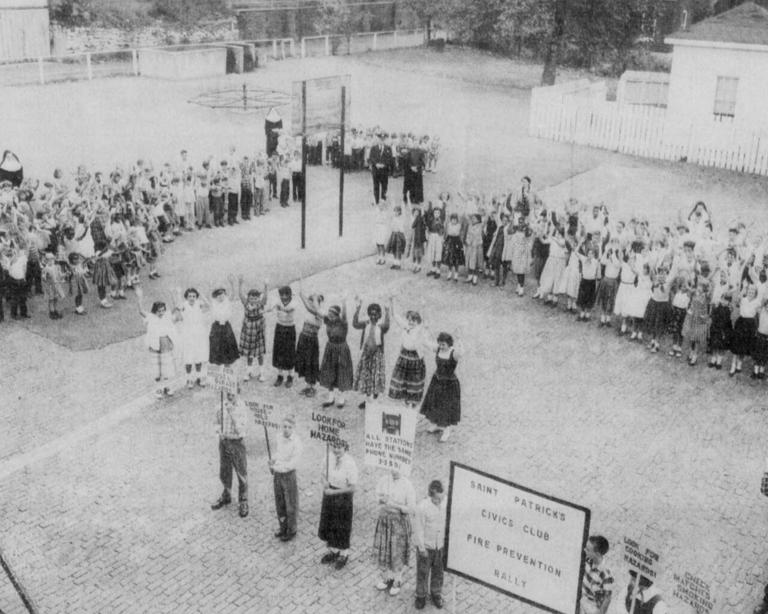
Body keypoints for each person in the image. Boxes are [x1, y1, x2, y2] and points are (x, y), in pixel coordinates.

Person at [373, 469, 416, 596]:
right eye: (393, 467)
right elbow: (377, 497)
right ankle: (386, 576)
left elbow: (410, 508)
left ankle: (397, 579)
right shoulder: (384, 480)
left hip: (399, 523)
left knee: (397, 551)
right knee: (385, 549)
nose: (395, 471)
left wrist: (396, 506)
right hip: (385, 521)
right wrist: (382, 499)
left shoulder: (407, 485)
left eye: (398, 468)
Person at [318, 440, 358, 570]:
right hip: (329, 494)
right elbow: (322, 474)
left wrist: (335, 492)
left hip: (342, 496)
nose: (336, 450)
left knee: (342, 525)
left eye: (339, 447)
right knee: (330, 523)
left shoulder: (350, 463)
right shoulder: (328, 457)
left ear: (345, 448)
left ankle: (343, 553)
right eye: (334, 446)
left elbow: (352, 488)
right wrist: (324, 482)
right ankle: (333, 551)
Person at [211, 390, 250, 518]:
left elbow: (242, 430)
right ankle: (226, 494)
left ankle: (243, 500)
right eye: (228, 394)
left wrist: (232, 414)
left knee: (241, 472)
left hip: (237, 442)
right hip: (224, 441)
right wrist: (219, 433)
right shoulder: (219, 406)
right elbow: (216, 423)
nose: (230, 397)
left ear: (238, 393)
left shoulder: (242, 408)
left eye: (233, 394)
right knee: (225, 470)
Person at [135, 286, 178, 398]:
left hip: (165, 343)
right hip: (154, 344)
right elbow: (140, 311)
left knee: (167, 366)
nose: (161, 313)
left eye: (163, 310)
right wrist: (139, 297)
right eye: (159, 311)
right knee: (156, 368)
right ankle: (158, 389)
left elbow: (175, 308)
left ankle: (167, 386)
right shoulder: (150, 317)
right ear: (155, 311)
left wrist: (173, 295)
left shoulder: (167, 316)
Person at [421, 332, 462, 443]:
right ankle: (437, 425)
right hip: (437, 381)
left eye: (443, 344)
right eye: (440, 344)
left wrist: (459, 341)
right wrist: (425, 332)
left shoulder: (453, 353)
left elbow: (461, 353)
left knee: (447, 407)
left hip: (449, 384)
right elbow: (426, 343)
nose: (441, 346)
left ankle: (447, 430)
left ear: (449, 344)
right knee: (435, 403)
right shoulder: (438, 349)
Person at [413, 479, 446, 610]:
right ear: (431, 495)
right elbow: (418, 529)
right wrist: (421, 548)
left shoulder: (445, 503)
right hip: (427, 547)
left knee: (438, 572)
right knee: (423, 572)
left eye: (441, 498)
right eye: (437, 499)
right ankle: (420, 595)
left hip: (440, 547)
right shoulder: (422, 507)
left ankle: (436, 593)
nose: (439, 502)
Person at [352, 298, 390, 410]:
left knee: (376, 376)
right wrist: (357, 308)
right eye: (371, 314)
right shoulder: (366, 323)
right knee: (367, 376)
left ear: (379, 315)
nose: (373, 316)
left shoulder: (381, 326)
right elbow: (355, 324)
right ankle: (368, 400)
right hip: (366, 353)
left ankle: (374, 400)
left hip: (377, 354)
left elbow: (387, 326)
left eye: (375, 314)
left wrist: (387, 311)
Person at [270, 415, 303, 542]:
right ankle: (282, 526)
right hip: (278, 474)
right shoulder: (279, 437)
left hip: (289, 475)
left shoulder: (297, 443)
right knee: (280, 502)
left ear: (293, 428)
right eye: (284, 426)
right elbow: (279, 453)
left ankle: (292, 529)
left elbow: (292, 463)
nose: (286, 429)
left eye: (289, 427)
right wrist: (273, 459)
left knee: (291, 504)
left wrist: (278, 467)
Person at [319, 300, 354, 409]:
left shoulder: (343, 323)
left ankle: (341, 398)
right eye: (329, 315)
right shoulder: (328, 321)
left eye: (332, 315)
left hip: (341, 349)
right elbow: (315, 310)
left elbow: (344, 315)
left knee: (342, 371)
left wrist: (344, 302)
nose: (330, 317)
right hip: (330, 348)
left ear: (337, 315)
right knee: (329, 371)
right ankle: (330, 397)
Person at [237, 275, 268, 382]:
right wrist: (240, 284)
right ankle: (248, 371)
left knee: (259, 353)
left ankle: (261, 372)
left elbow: (265, 298)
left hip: (258, 330)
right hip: (248, 330)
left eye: (255, 298)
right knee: (249, 353)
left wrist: (266, 287)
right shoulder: (246, 304)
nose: (253, 300)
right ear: (248, 298)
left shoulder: (260, 304)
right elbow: (241, 295)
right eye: (251, 298)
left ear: (258, 298)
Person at [270, 285, 298, 388]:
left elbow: (288, 309)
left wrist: (278, 308)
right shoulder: (278, 300)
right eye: (282, 295)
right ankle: (280, 375)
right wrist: (273, 306)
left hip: (289, 329)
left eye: (286, 294)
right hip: (280, 327)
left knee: (289, 352)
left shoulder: (294, 302)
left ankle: (290, 376)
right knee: (279, 351)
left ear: (290, 294)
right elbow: (271, 307)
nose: (284, 297)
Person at [580, 535, 614, 614]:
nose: (584, 550)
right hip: (581, 600)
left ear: (597, 554)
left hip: (591, 607)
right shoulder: (587, 560)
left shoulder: (605, 574)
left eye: (588, 550)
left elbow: (607, 598)